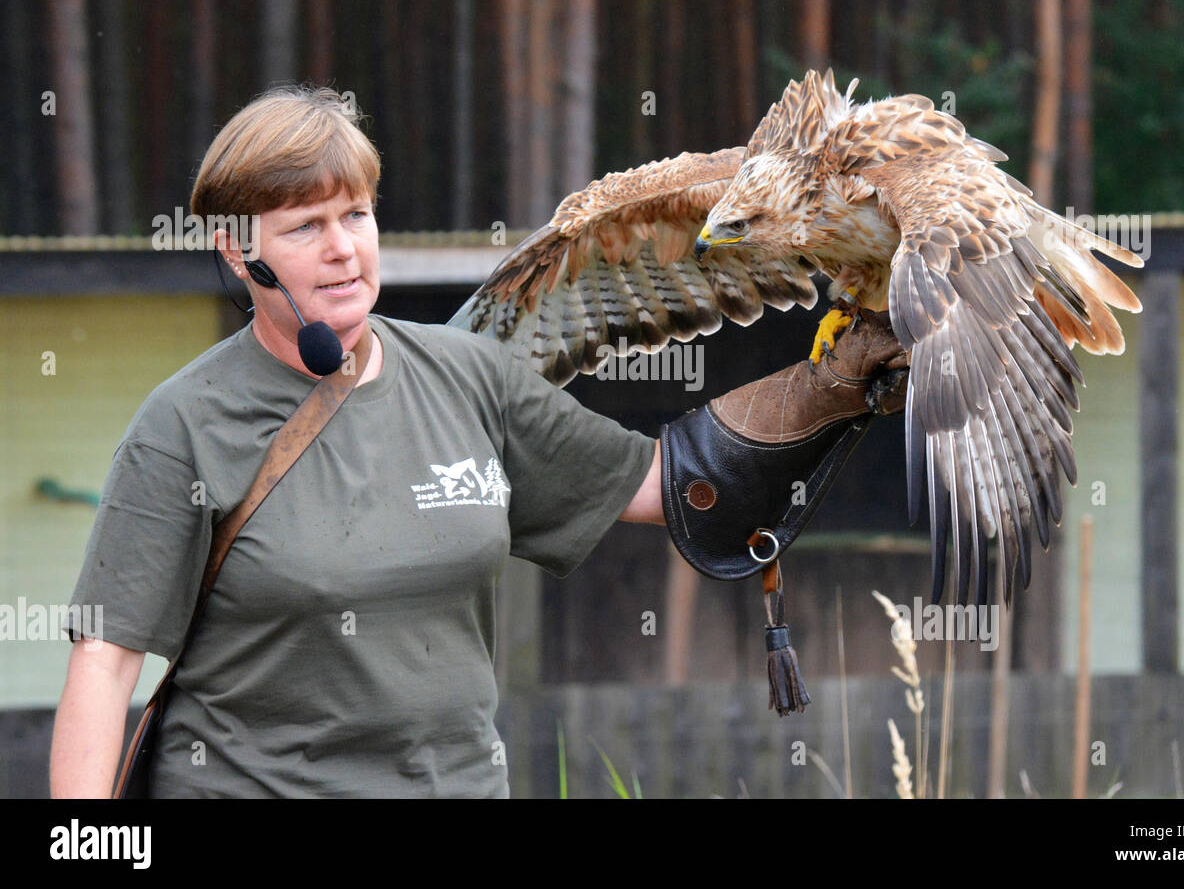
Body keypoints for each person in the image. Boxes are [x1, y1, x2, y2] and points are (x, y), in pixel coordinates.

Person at [49, 86, 905, 798]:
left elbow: (675, 485)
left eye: (356, 214)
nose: (344, 249)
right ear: (239, 253)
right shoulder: (185, 424)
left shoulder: (466, 376)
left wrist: (830, 388)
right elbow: (105, 664)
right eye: (306, 226)